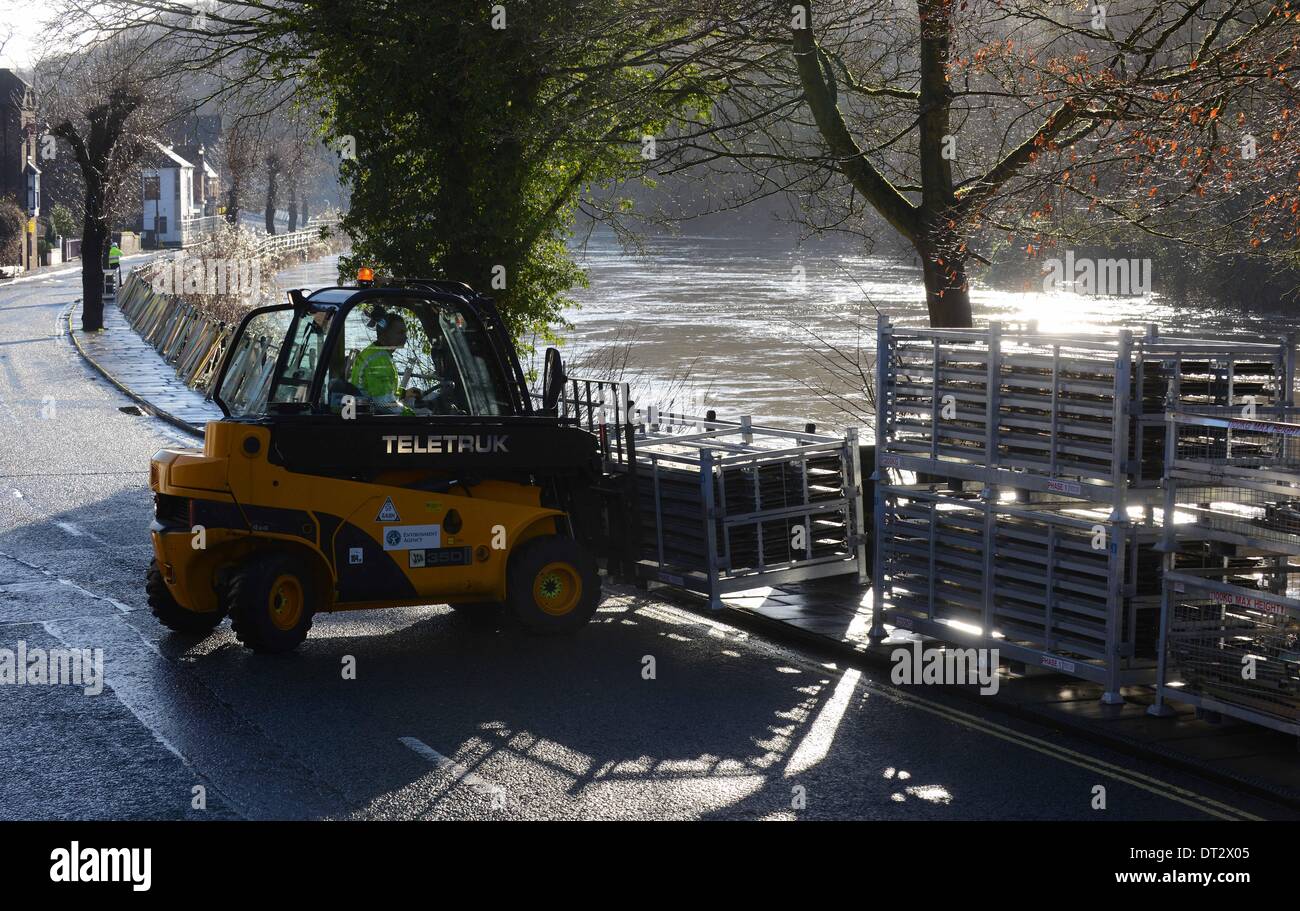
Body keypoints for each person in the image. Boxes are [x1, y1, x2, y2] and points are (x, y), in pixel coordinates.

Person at [350, 311, 412, 414]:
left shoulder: (373, 352)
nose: (405, 337)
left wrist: (404, 394)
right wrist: (412, 415)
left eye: (405, 333)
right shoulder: (378, 361)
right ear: (384, 334)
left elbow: (383, 393)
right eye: (400, 333)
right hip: (374, 421)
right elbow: (386, 405)